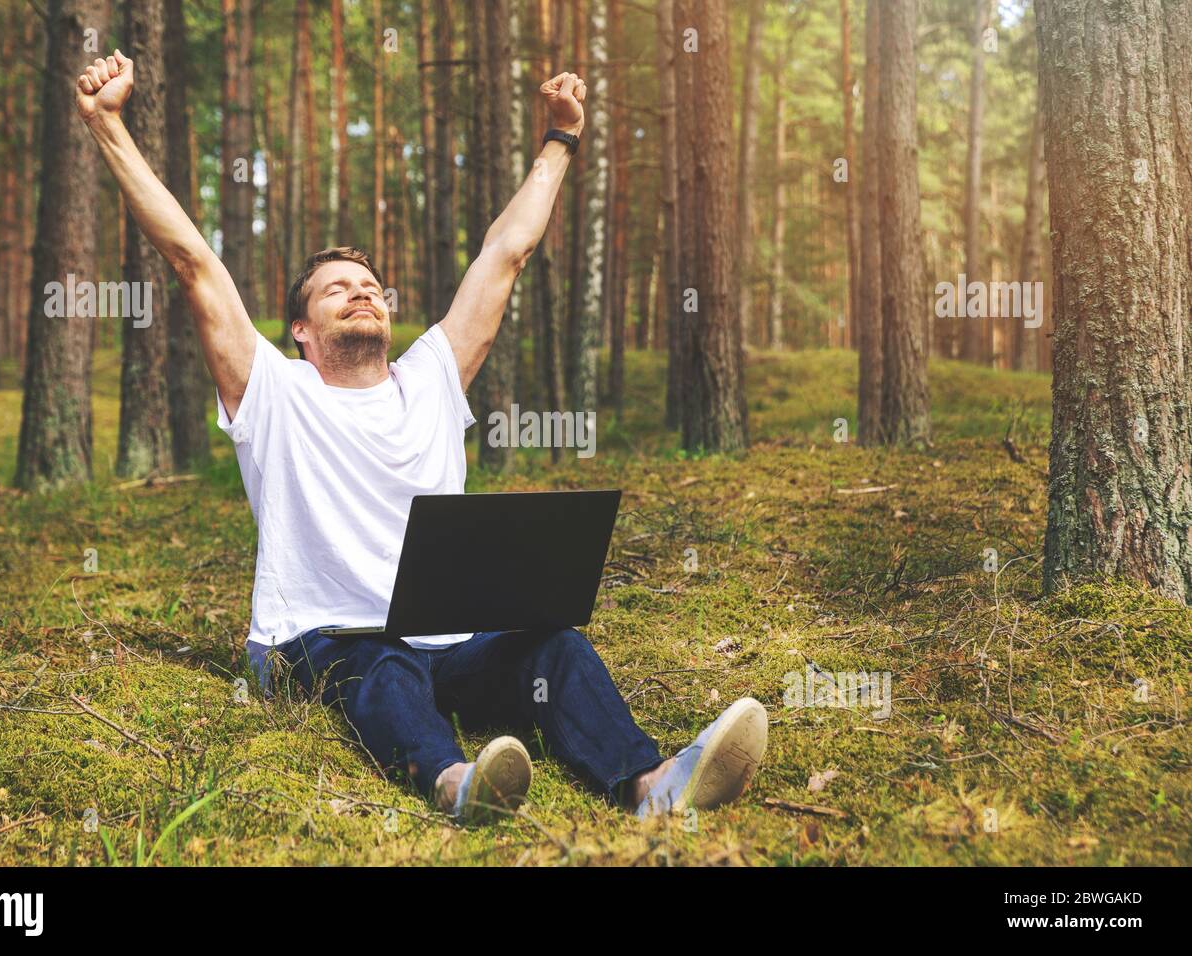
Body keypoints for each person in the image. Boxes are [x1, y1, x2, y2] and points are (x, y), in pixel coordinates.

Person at [75, 49, 768, 824]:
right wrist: (107, 125)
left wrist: (559, 140)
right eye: (337, 289)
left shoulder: (431, 377)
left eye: (369, 285)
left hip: (450, 647)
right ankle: (455, 783)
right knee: (381, 662)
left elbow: (508, 254)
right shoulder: (272, 391)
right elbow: (192, 261)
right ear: (301, 330)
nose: (362, 292)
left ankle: (652, 786)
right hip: (320, 645)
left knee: (555, 646)